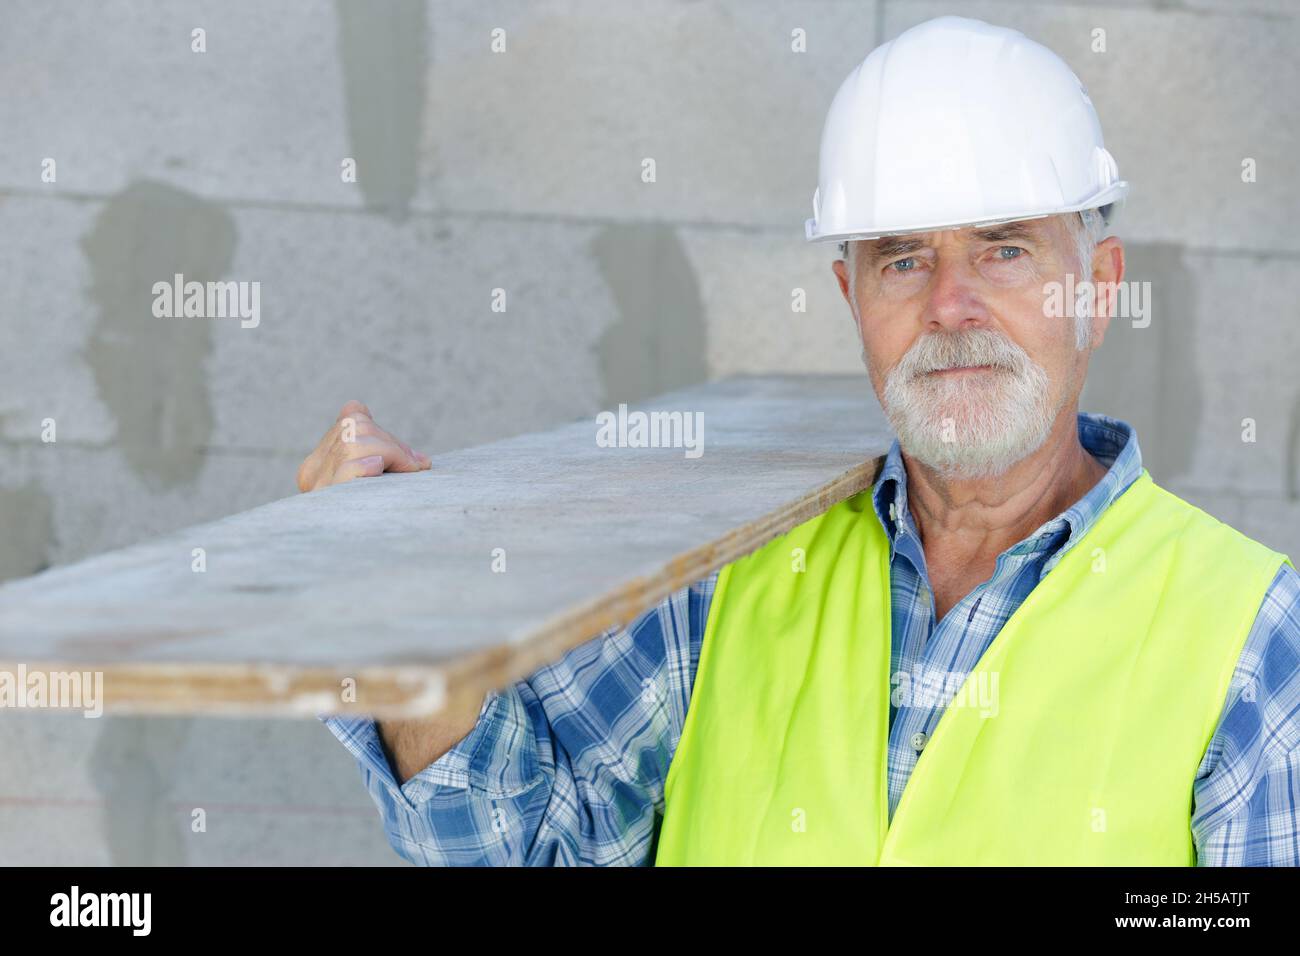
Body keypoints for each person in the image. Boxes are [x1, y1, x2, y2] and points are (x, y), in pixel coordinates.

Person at [299, 16, 1300, 865]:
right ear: (851, 296)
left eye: (1004, 248)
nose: (951, 306)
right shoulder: (726, 570)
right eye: (902, 258)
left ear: (1098, 284)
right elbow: (526, 848)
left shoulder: (1252, 640)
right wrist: (401, 625)